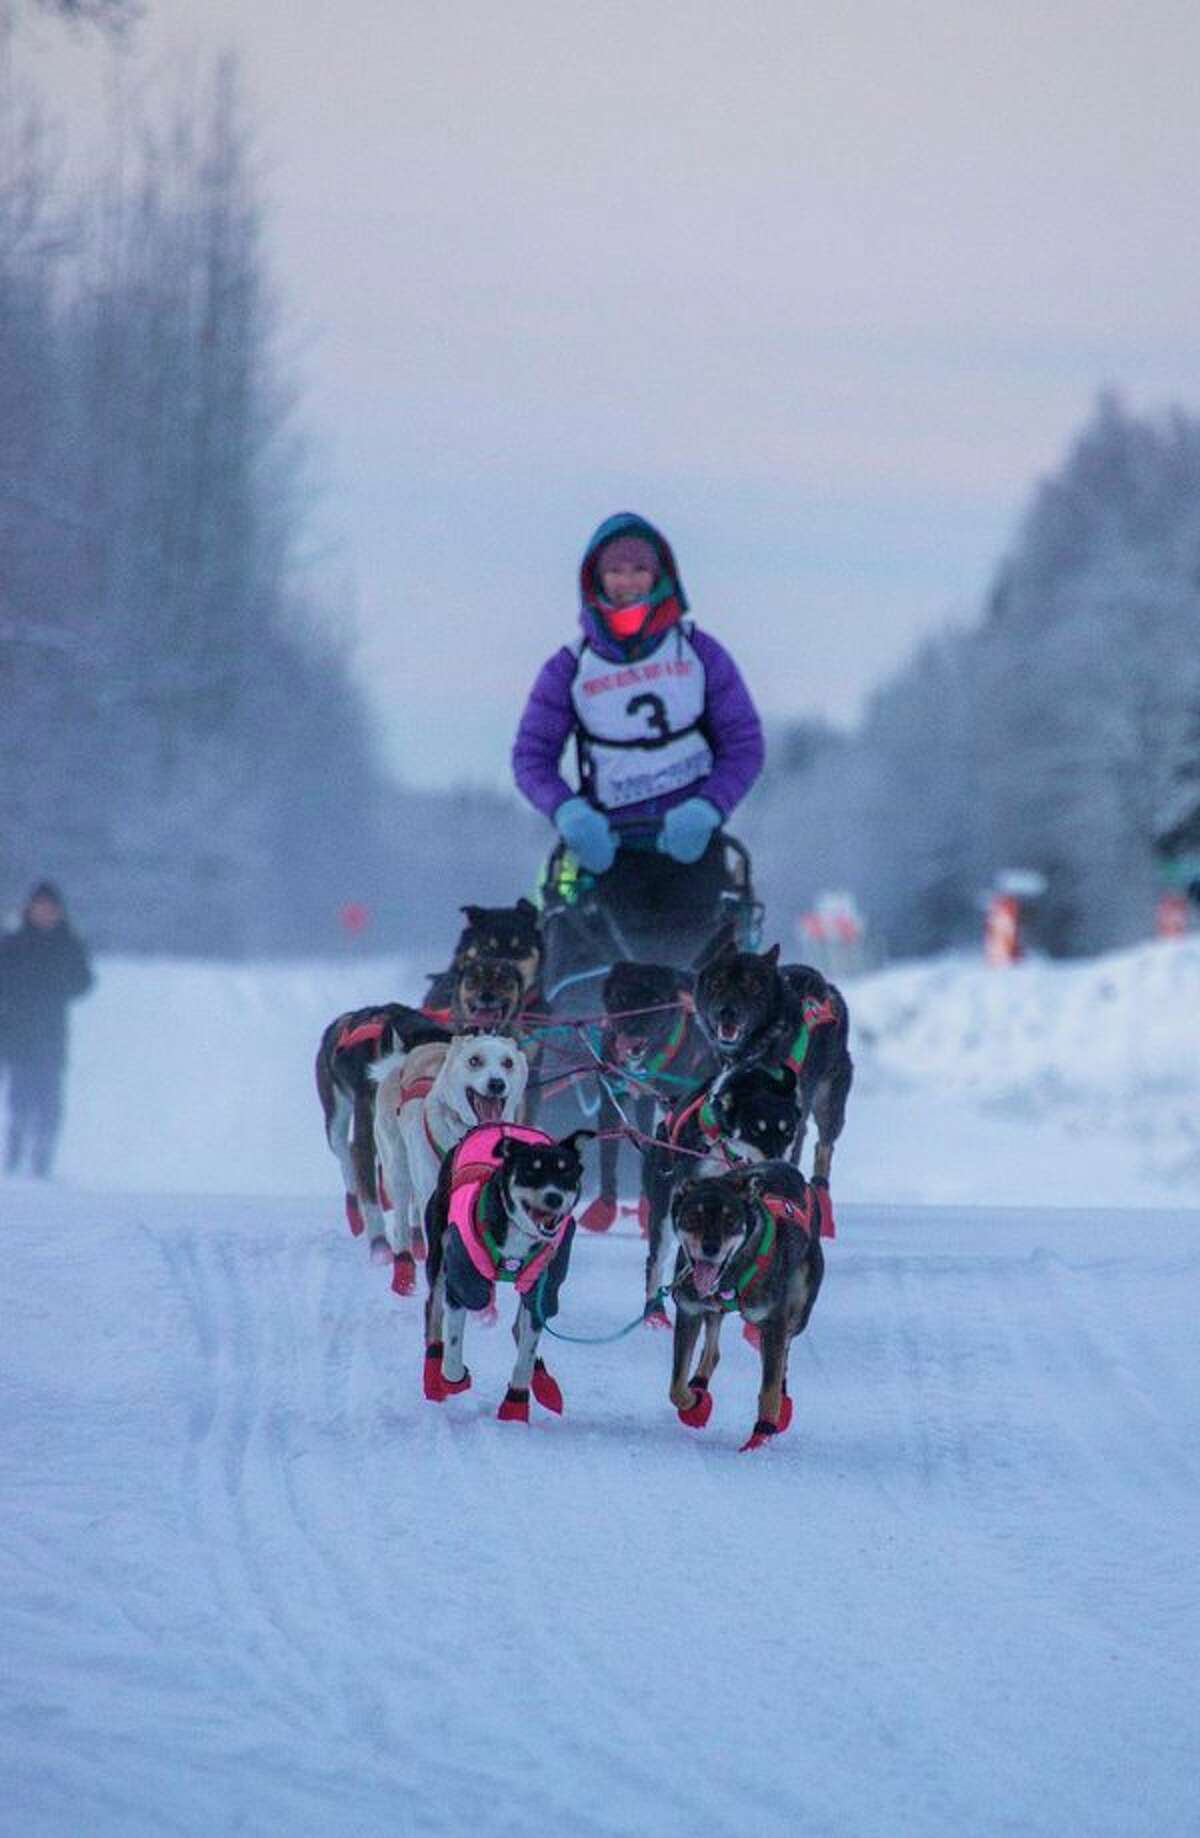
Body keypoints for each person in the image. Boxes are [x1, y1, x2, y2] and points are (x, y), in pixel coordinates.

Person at [512, 512, 764, 963]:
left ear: (659, 575)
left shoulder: (699, 653)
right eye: (615, 570)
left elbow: (744, 745)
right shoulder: (570, 668)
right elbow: (531, 757)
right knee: (602, 990)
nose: (627, 581)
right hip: (608, 855)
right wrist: (569, 813)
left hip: (692, 853)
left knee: (697, 983)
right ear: (595, 580)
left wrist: (708, 808)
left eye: (639, 569)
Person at [0, 881, 93, 1178]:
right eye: (40, 907)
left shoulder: (68, 944)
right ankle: (14, 1157)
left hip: (51, 1033)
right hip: (16, 1033)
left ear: (59, 912)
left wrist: (58, 986)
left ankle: (42, 1159)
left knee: (49, 1101)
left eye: (51, 908)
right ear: (30, 909)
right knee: (19, 1099)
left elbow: (84, 982)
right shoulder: (13, 943)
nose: (45, 913)